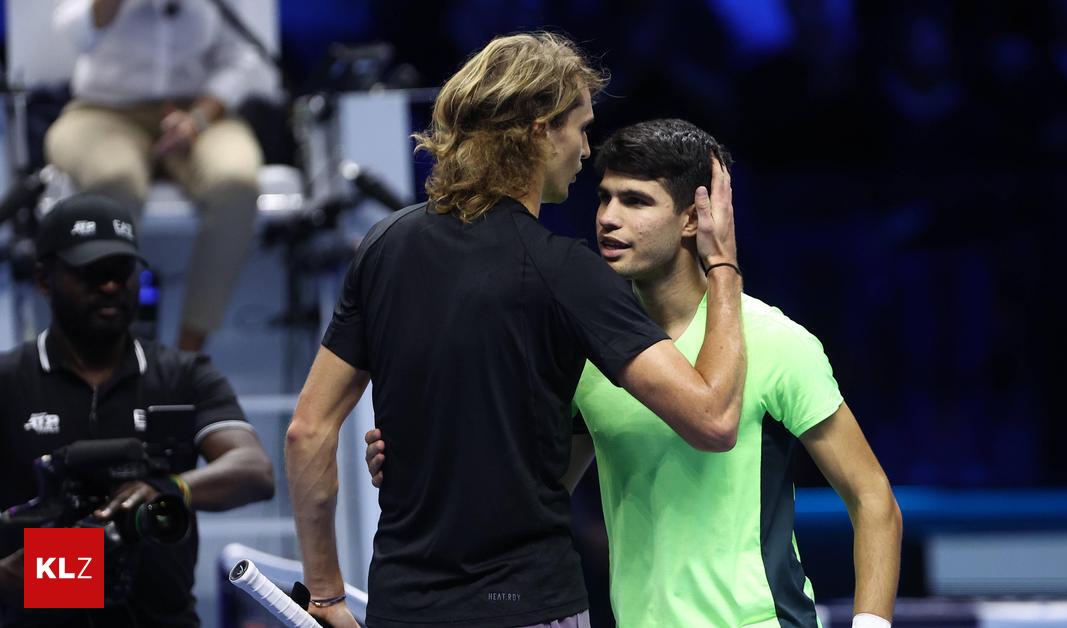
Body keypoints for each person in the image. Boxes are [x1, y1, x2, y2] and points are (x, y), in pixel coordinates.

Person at [285, 33, 745, 628]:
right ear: (540, 131)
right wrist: (723, 265)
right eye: (580, 128)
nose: (586, 149)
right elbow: (712, 420)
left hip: (403, 609)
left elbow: (307, 432)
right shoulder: (565, 269)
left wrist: (325, 594)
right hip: (526, 606)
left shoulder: (384, 245)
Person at [366, 119, 903, 627]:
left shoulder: (776, 340)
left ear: (693, 218)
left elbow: (873, 498)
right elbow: (533, 493)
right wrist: (423, 460)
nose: (608, 217)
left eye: (636, 201)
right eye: (604, 197)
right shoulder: (589, 352)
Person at [0, 193, 276, 627]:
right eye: (92, 272)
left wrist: (168, 488)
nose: (110, 286)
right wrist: (36, 574)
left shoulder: (182, 374)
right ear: (44, 279)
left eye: (122, 271)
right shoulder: (8, 381)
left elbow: (254, 470)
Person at [45, 0, 277, 351]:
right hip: (103, 109)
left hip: (199, 112)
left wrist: (198, 117)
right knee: (115, 182)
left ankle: (187, 355)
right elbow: (76, 32)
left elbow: (241, 57)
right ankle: (114, 351)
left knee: (236, 185)